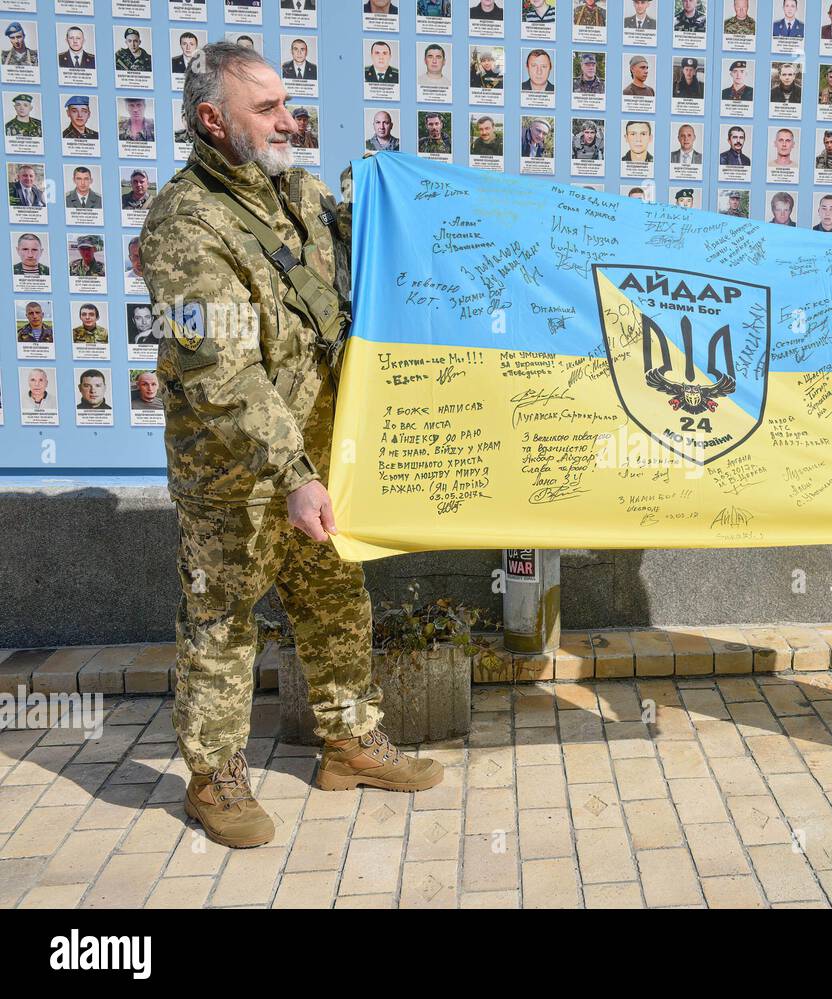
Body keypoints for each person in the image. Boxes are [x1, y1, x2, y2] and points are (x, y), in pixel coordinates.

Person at [139, 42, 440, 850]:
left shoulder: (303, 195)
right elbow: (221, 375)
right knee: (222, 621)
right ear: (213, 119)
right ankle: (214, 775)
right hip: (237, 474)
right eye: (266, 108)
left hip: (319, 458)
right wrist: (293, 474)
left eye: (286, 102)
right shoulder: (182, 227)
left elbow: (380, 272)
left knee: (337, 598)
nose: (289, 118)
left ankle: (349, 742)